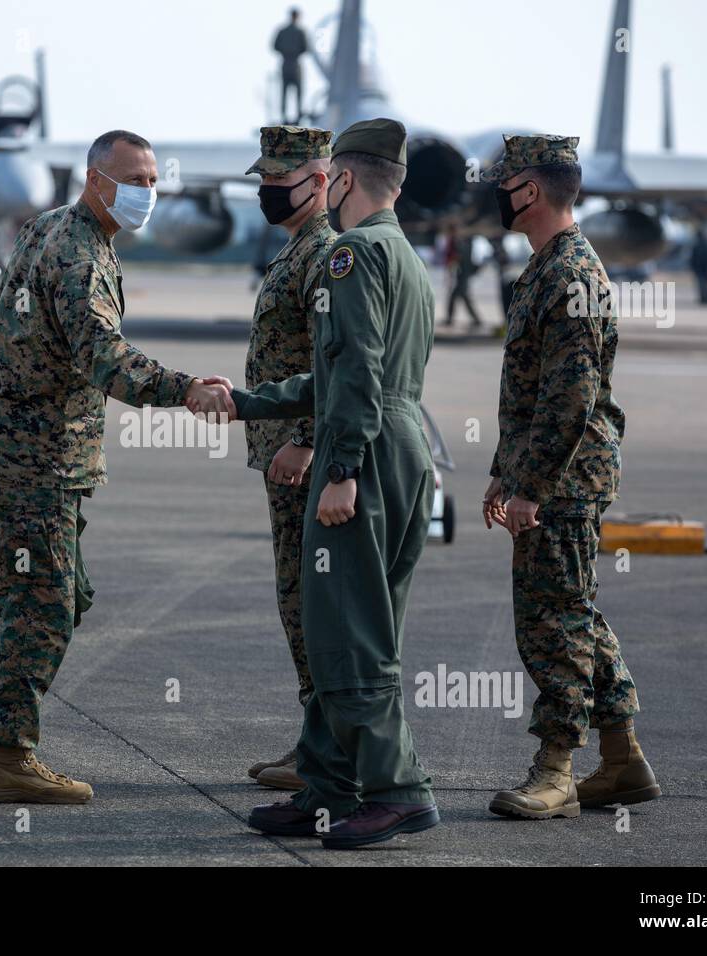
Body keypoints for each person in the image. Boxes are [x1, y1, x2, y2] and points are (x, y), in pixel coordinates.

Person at [0, 130, 236, 805]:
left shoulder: (51, 228)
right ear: (96, 179)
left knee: (5, 593)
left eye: (154, 180)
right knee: (45, 605)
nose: (147, 193)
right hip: (36, 463)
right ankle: (11, 756)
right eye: (135, 180)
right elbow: (104, 356)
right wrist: (185, 388)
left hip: (9, 450)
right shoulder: (78, 254)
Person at [208, 119, 440, 850]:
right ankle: (328, 784)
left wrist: (337, 471)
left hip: (362, 452)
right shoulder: (402, 254)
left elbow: (355, 380)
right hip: (399, 442)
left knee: (347, 629)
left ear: (339, 179)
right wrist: (249, 401)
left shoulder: (351, 257)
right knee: (349, 618)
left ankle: (399, 791)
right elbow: (339, 374)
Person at [480, 134, 660, 820]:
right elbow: (531, 390)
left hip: (564, 478)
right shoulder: (547, 267)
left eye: (505, 182)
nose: (497, 193)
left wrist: (532, 487)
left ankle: (556, 769)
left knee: (550, 622)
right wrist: (506, 470)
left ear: (530, 190)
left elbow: (571, 397)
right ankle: (621, 762)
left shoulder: (572, 274)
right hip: (549, 470)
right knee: (577, 610)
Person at [240, 125, 336, 791]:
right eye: (266, 182)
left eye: (282, 181)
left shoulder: (326, 255)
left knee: (312, 601)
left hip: (305, 457)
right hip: (283, 455)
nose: (270, 193)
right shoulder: (295, 250)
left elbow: (333, 361)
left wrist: (302, 437)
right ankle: (316, 737)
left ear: (320, 181)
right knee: (295, 599)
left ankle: (326, 749)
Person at [442, 225, 483, 328]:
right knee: (462, 296)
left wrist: (451, 268)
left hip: (462, 274)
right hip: (462, 274)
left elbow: (457, 257)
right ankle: (475, 319)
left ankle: (451, 319)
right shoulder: (458, 241)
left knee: (458, 296)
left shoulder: (456, 242)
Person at [273, 8, 309, 125]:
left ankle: (287, 117)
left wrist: (285, 51)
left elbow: (275, 46)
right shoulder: (300, 32)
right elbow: (306, 48)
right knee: (295, 93)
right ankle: (295, 118)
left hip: (287, 63)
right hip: (294, 64)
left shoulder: (283, 31)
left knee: (286, 92)